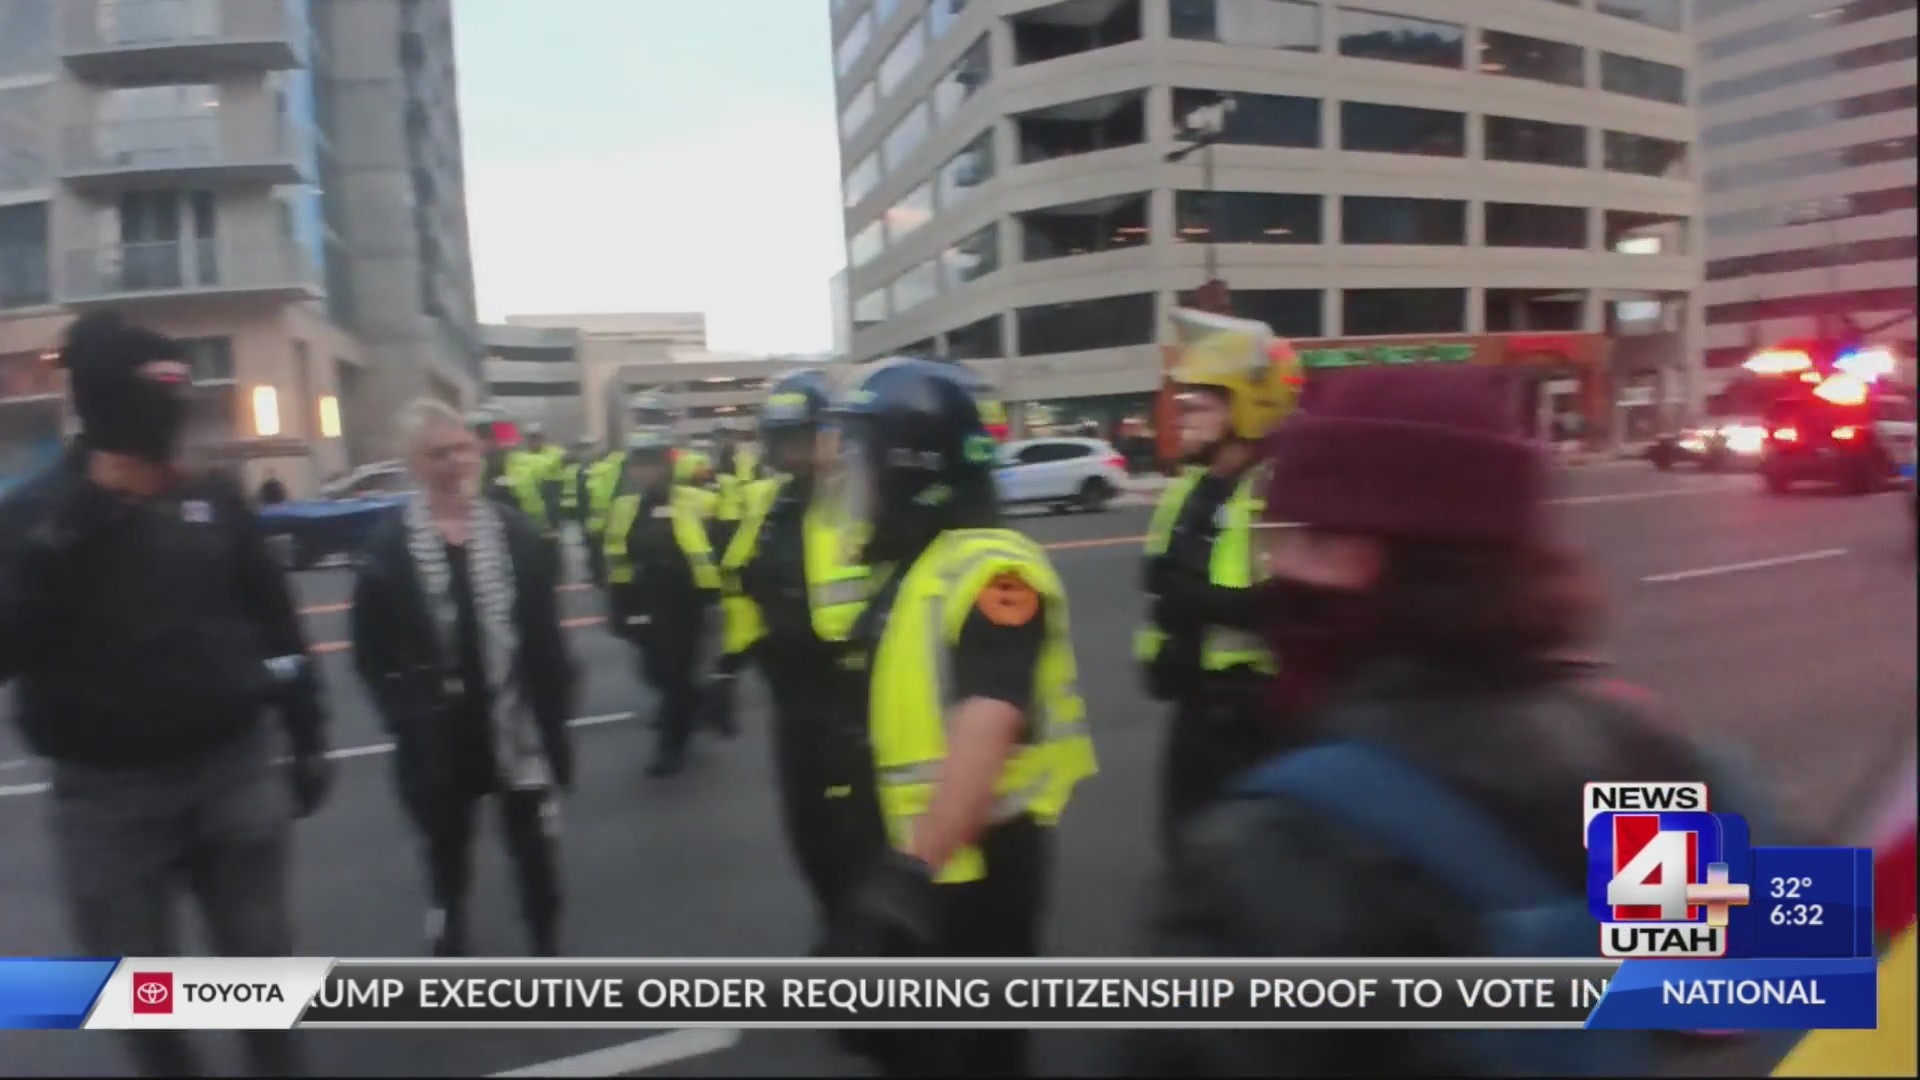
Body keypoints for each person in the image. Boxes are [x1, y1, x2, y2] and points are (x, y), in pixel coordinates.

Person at [1126, 365, 1774, 1077]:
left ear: (1363, 556)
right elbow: (1721, 1016)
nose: (1277, 566)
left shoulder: (1284, 845)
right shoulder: (1654, 759)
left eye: (1304, 536)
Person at [0, 311, 330, 1078]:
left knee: (261, 988)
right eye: (158, 391)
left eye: (181, 389)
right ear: (100, 399)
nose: (173, 412)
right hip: (107, 800)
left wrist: (307, 724)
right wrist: (78, 526)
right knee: (144, 1008)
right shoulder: (30, 516)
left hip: (233, 773)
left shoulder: (213, 498)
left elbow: (275, 622)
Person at [820, 357, 1098, 1077]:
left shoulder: (993, 567)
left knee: (973, 1058)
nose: (854, 478)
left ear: (912, 463)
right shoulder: (915, 567)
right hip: (927, 865)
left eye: (863, 456)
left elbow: (992, 709)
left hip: (973, 878)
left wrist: (911, 874)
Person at [349, 399, 576, 957]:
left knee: (535, 852)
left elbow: (546, 639)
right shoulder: (388, 547)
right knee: (447, 849)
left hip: (514, 724)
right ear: (414, 463)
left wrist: (557, 720)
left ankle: (545, 947)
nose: (453, 462)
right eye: (437, 453)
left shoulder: (516, 535)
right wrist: (402, 711)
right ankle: (449, 929)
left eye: (461, 448)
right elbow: (371, 650)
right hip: (439, 735)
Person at [1137, 308, 1302, 858]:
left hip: (1263, 721)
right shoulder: (1189, 489)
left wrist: (1210, 605)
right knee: (1187, 859)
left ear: (1247, 407)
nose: (1179, 418)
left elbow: (1308, 611)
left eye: (1196, 407)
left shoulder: (1285, 491)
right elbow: (1165, 585)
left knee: (1258, 872)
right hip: (1194, 713)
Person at [719, 370, 872, 949]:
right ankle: (834, 916)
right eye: (782, 441)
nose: (792, 453)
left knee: (860, 830)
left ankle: (867, 946)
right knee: (807, 829)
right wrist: (731, 661)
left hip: (857, 695)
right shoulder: (766, 502)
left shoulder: (864, 499)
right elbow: (738, 579)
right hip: (793, 699)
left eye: (803, 439)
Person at [604, 425, 720, 778]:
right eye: (639, 464)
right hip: (646, 601)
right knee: (653, 671)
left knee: (675, 675)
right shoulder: (624, 507)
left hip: (688, 602)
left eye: (652, 463)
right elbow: (616, 556)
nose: (645, 472)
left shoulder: (697, 500)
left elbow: (724, 541)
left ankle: (672, 747)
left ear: (667, 465)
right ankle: (697, 703)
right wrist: (619, 604)